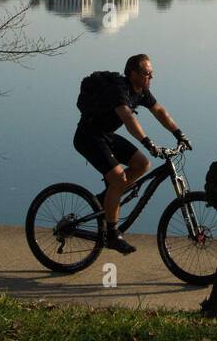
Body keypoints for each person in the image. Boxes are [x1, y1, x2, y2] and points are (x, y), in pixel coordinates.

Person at [73, 53, 191, 254]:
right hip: (88, 136)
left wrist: (179, 134)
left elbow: (160, 111)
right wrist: (147, 142)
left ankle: (106, 199)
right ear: (132, 73)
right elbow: (128, 118)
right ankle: (112, 234)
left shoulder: (142, 91)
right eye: (146, 73)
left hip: (106, 135)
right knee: (119, 180)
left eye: (151, 73)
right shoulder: (119, 89)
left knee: (142, 164)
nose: (150, 78)